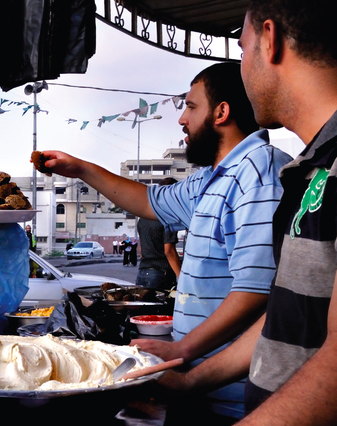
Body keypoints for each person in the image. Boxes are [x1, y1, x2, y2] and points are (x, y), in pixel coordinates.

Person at [68, 1, 337, 426]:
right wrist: (189, 378)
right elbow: (286, 318)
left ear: (269, 39)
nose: (243, 64)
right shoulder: (312, 171)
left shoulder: (268, 171)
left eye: (242, 47)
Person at [43, 62, 291, 372]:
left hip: (231, 386)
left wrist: (182, 349)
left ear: (221, 112)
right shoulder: (210, 179)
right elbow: (148, 200)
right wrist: (81, 169)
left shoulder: (259, 173)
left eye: (191, 106)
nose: (182, 119)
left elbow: (255, 292)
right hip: (200, 377)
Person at [135, 178, 181, 290]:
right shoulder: (168, 218)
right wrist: (182, 277)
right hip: (160, 274)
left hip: (142, 272)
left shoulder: (143, 217)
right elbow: (169, 251)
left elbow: (141, 250)